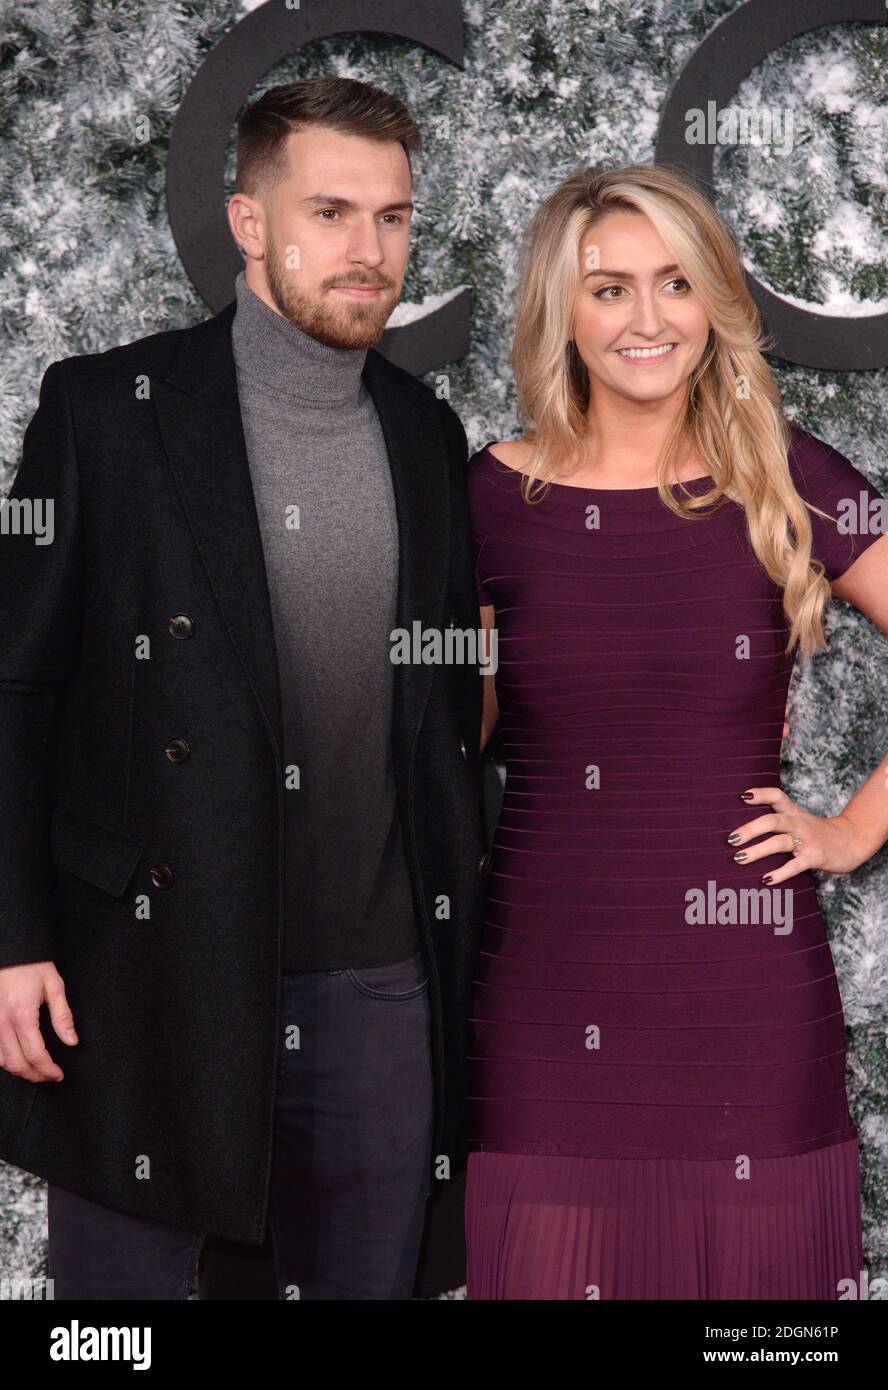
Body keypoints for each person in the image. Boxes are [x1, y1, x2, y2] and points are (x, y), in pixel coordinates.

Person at [0, 75, 487, 1299]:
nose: (369, 250)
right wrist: (11, 941)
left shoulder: (426, 432)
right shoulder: (107, 408)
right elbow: (16, 686)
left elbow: (435, 717)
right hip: (154, 971)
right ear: (250, 222)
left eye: (392, 217)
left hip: (381, 991)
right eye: (330, 212)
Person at [464, 163, 888, 1300]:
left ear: (713, 301)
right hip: (544, 1000)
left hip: (744, 999)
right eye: (608, 289)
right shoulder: (489, 496)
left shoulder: (790, 474)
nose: (647, 319)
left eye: (675, 283)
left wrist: (852, 828)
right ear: (560, 308)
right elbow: (442, 740)